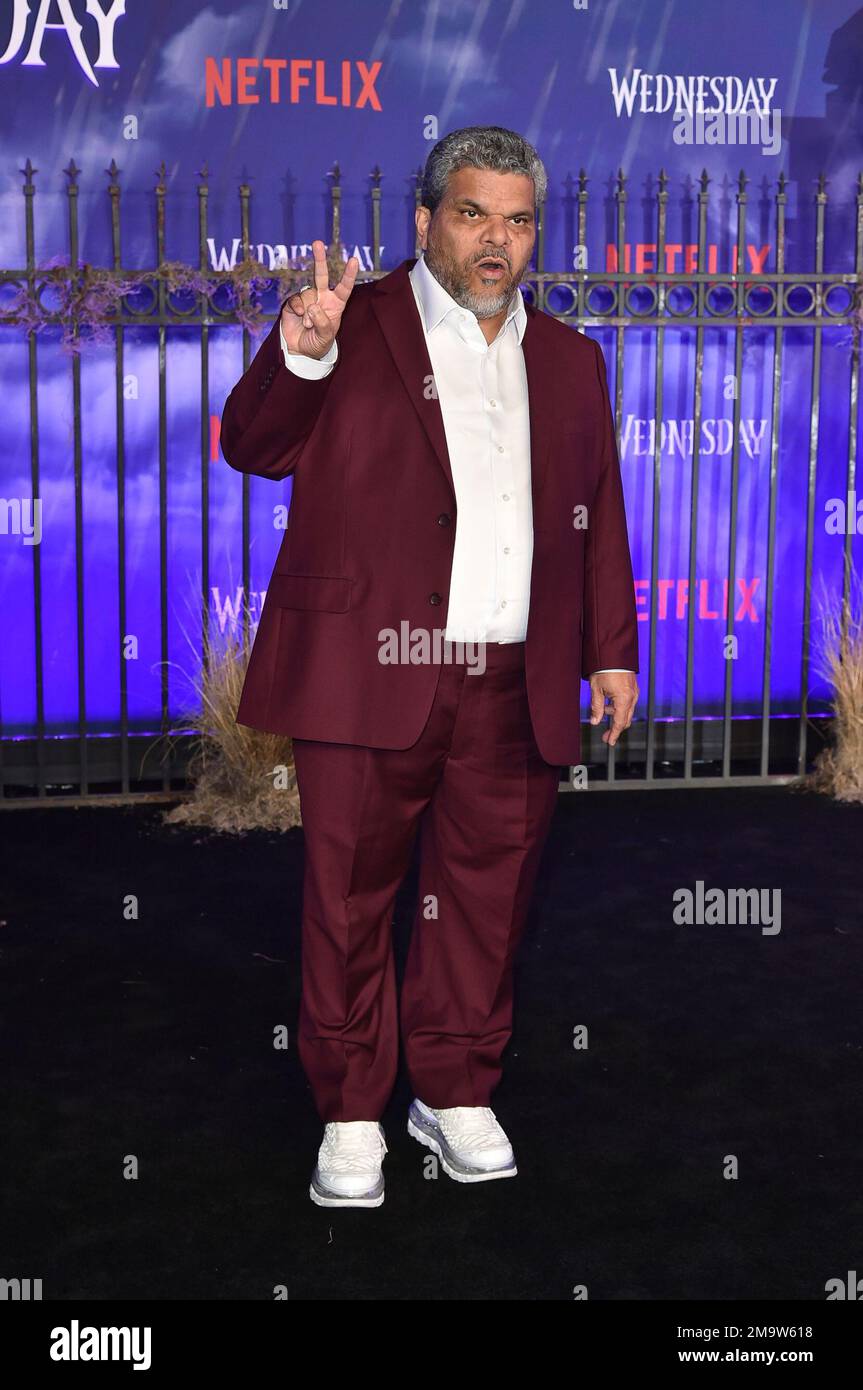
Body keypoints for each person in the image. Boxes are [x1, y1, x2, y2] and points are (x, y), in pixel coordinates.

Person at [220, 125, 639, 1208]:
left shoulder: (571, 360)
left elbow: (595, 523)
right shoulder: (348, 325)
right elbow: (253, 444)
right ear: (423, 222)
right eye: (471, 214)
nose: (495, 240)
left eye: (516, 220)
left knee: (486, 899)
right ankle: (352, 1109)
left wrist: (608, 653)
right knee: (349, 900)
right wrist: (298, 348)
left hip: (514, 681)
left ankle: (451, 1089)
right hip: (371, 674)